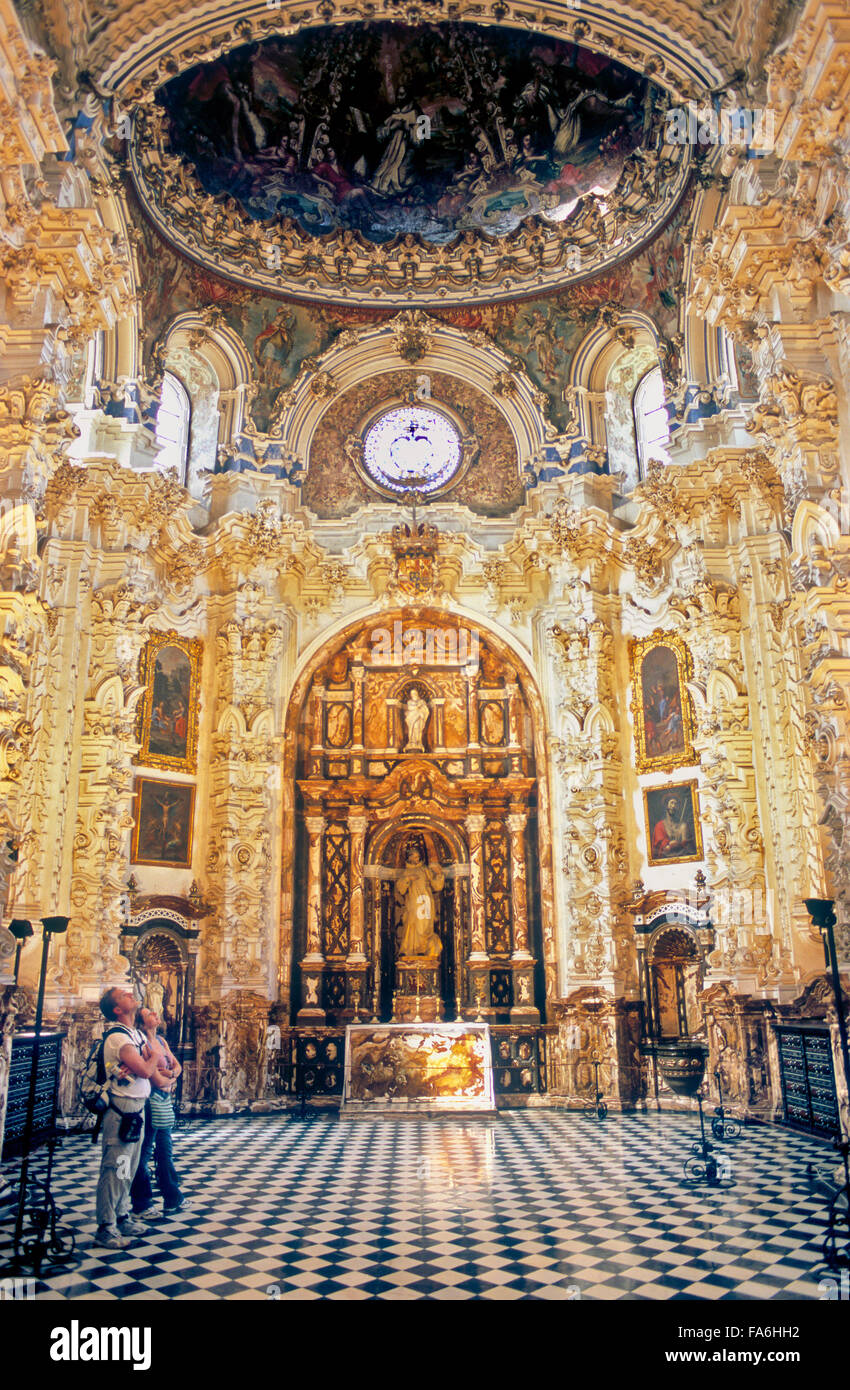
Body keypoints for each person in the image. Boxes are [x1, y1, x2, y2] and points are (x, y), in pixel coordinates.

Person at [93, 986, 161, 1249]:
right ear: (117, 1010)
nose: (131, 995)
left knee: (129, 1166)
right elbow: (146, 1068)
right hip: (122, 1109)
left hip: (136, 1107)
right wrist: (152, 1056)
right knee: (116, 1167)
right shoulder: (118, 1038)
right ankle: (106, 1227)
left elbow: (156, 1065)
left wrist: (150, 1057)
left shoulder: (135, 1034)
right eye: (124, 995)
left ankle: (122, 1216)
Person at [130, 1007, 186, 1219]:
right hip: (150, 1102)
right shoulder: (142, 1044)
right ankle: (141, 1202)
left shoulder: (161, 1041)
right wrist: (170, 1079)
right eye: (149, 1014)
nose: (155, 1013)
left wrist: (170, 1074)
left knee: (164, 1151)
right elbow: (156, 1079)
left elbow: (176, 1067)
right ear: (142, 1023)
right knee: (144, 1152)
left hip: (164, 1101)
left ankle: (172, 1197)